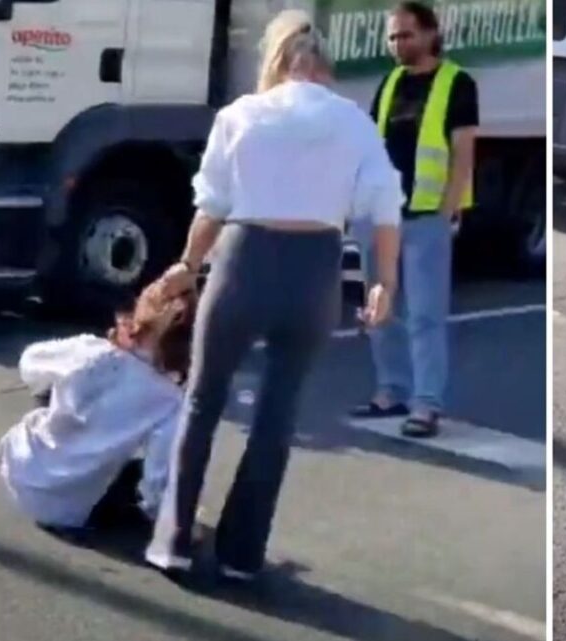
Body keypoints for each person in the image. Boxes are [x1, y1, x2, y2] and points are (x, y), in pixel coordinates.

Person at [143, 9, 404, 581]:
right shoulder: (353, 122)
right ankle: (241, 555)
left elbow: (212, 204)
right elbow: (385, 208)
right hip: (315, 270)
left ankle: (174, 541)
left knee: (203, 401)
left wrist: (188, 265)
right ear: (323, 66)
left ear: (276, 61)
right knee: (276, 415)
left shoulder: (242, 115)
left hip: (245, 260)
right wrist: (383, 281)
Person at [349, 1, 478, 438]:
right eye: (392, 36)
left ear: (429, 35)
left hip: (425, 217)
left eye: (405, 35)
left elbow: (463, 153)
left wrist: (445, 211)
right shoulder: (390, 83)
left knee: (425, 314)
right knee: (379, 309)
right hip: (382, 216)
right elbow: (370, 149)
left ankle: (425, 404)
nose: (397, 44)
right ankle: (391, 390)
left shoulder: (457, 83)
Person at [0, 279, 195, 534]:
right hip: (68, 509)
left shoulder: (89, 347)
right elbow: (157, 475)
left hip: (20, 467)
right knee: (135, 467)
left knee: (55, 384)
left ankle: (61, 440)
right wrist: (161, 514)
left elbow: (30, 363)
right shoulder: (170, 399)